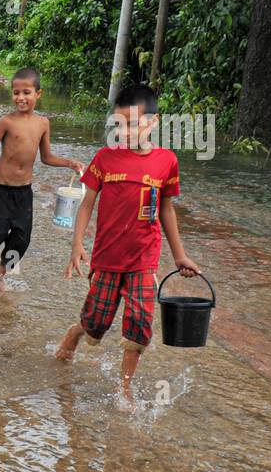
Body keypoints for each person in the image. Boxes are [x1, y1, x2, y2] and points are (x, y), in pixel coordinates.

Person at [54, 84, 201, 410]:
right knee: (98, 320)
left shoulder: (166, 162)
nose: (125, 131)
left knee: (139, 323)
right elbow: (87, 203)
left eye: (133, 124)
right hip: (107, 257)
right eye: (119, 125)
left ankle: (125, 389)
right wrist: (77, 244)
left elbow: (166, 209)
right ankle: (75, 332)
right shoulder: (105, 159)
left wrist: (179, 255)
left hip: (143, 259)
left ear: (153, 122)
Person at [0, 68, 84, 282]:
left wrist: (69, 163)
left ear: (38, 94)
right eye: (16, 92)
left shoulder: (43, 124)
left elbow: (46, 157)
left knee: (21, 239)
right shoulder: (7, 122)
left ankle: (1, 274)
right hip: (1, 190)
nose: (20, 97)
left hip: (24, 192)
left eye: (26, 92)